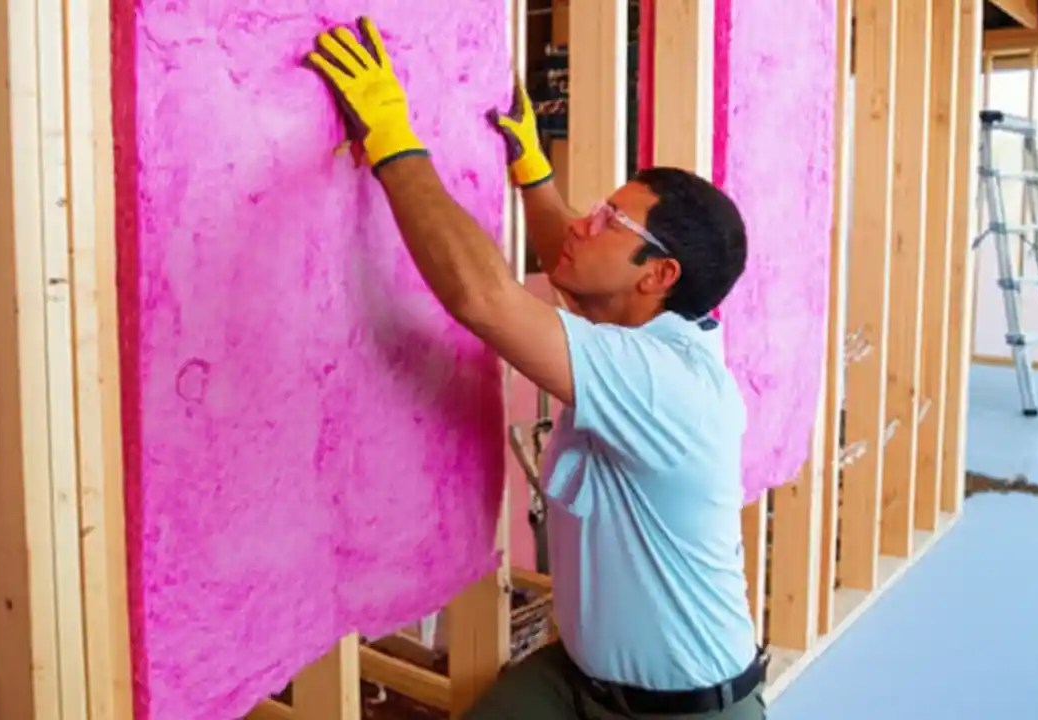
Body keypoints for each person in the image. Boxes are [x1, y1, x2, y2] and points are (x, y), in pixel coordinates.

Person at [306, 17, 767, 720]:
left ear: (659, 275)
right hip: (577, 677)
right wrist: (532, 172)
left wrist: (393, 138)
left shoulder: (668, 384)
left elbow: (482, 297)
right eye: (602, 206)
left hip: (687, 710)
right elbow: (573, 261)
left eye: (614, 221)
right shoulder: (645, 320)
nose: (586, 220)